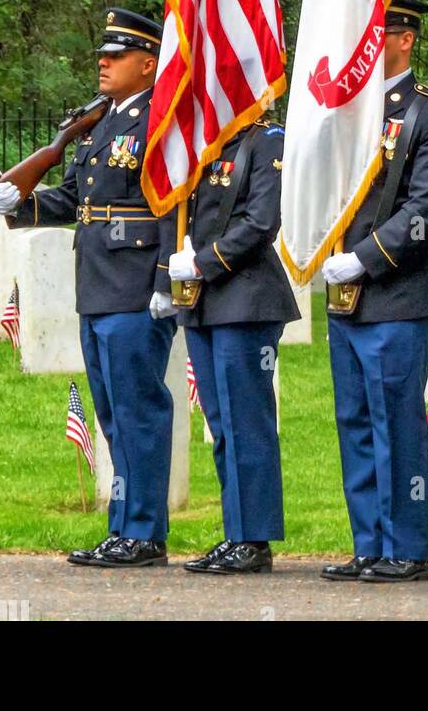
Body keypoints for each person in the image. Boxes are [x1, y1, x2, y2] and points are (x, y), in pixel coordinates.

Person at [0, 7, 177, 568]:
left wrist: (166, 278)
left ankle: (143, 533)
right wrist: (20, 204)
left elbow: (172, 205)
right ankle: (124, 527)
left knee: (139, 411)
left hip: (136, 286)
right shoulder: (103, 122)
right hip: (95, 285)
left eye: (116, 56)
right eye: (103, 53)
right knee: (113, 413)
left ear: (148, 64)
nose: (103, 61)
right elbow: (76, 198)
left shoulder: (158, 122)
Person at [318, 0, 428, 583]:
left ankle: (406, 545)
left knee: (396, 422)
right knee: (354, 418)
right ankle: (369, 542)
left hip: (399, 292)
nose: (365, 45)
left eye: (377, 34)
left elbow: (426, 209)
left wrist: (365, 258)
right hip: (345, 292)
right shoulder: (340, 112)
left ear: (405, 40)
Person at [166, 115, 298, 574]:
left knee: (247, 423)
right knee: (222, 423)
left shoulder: (266, 141)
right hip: (204, 302)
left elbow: (262, 221)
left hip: (246, 298)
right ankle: (236, 532)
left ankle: (254, 540)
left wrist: (202, 263)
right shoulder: (201, 142)